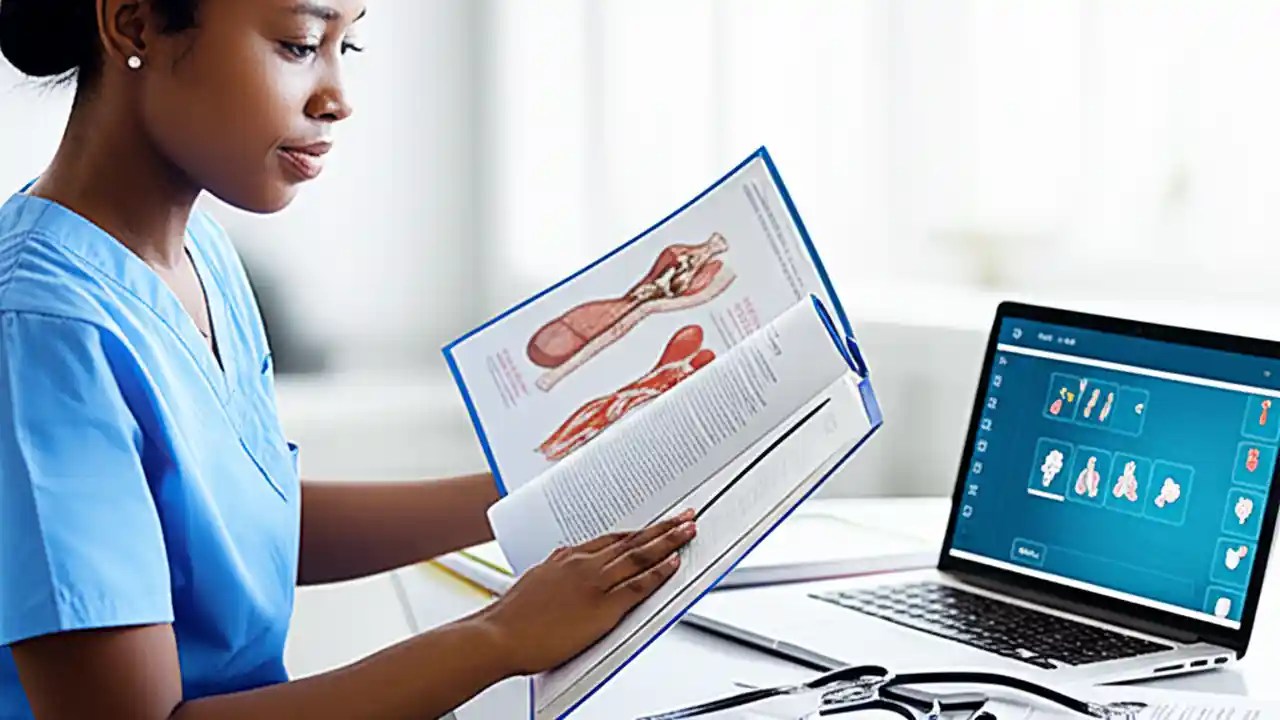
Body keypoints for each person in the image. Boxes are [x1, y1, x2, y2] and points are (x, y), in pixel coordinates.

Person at [0, 1, 697, 718]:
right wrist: (498, 637)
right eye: (301, 45)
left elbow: (234, 525)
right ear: (135, 25)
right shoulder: (46, 332)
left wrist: (535, 489)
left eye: (347, 47)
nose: (337, 99)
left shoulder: (199, 256)